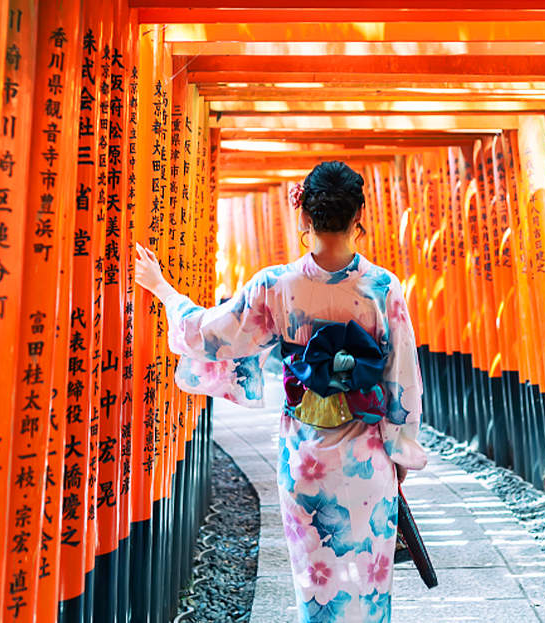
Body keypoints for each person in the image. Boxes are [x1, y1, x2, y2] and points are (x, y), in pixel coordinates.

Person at [134, 161, 428, 623]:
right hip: (368, 461)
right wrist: (400, 454)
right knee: (370, 592)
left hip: (305, 459)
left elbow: (211, 334)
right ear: (360, 215)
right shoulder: (382, 286)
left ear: (304, 217)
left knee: (317, 592)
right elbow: (402, 378)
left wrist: (164, 291)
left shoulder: (277, 285)